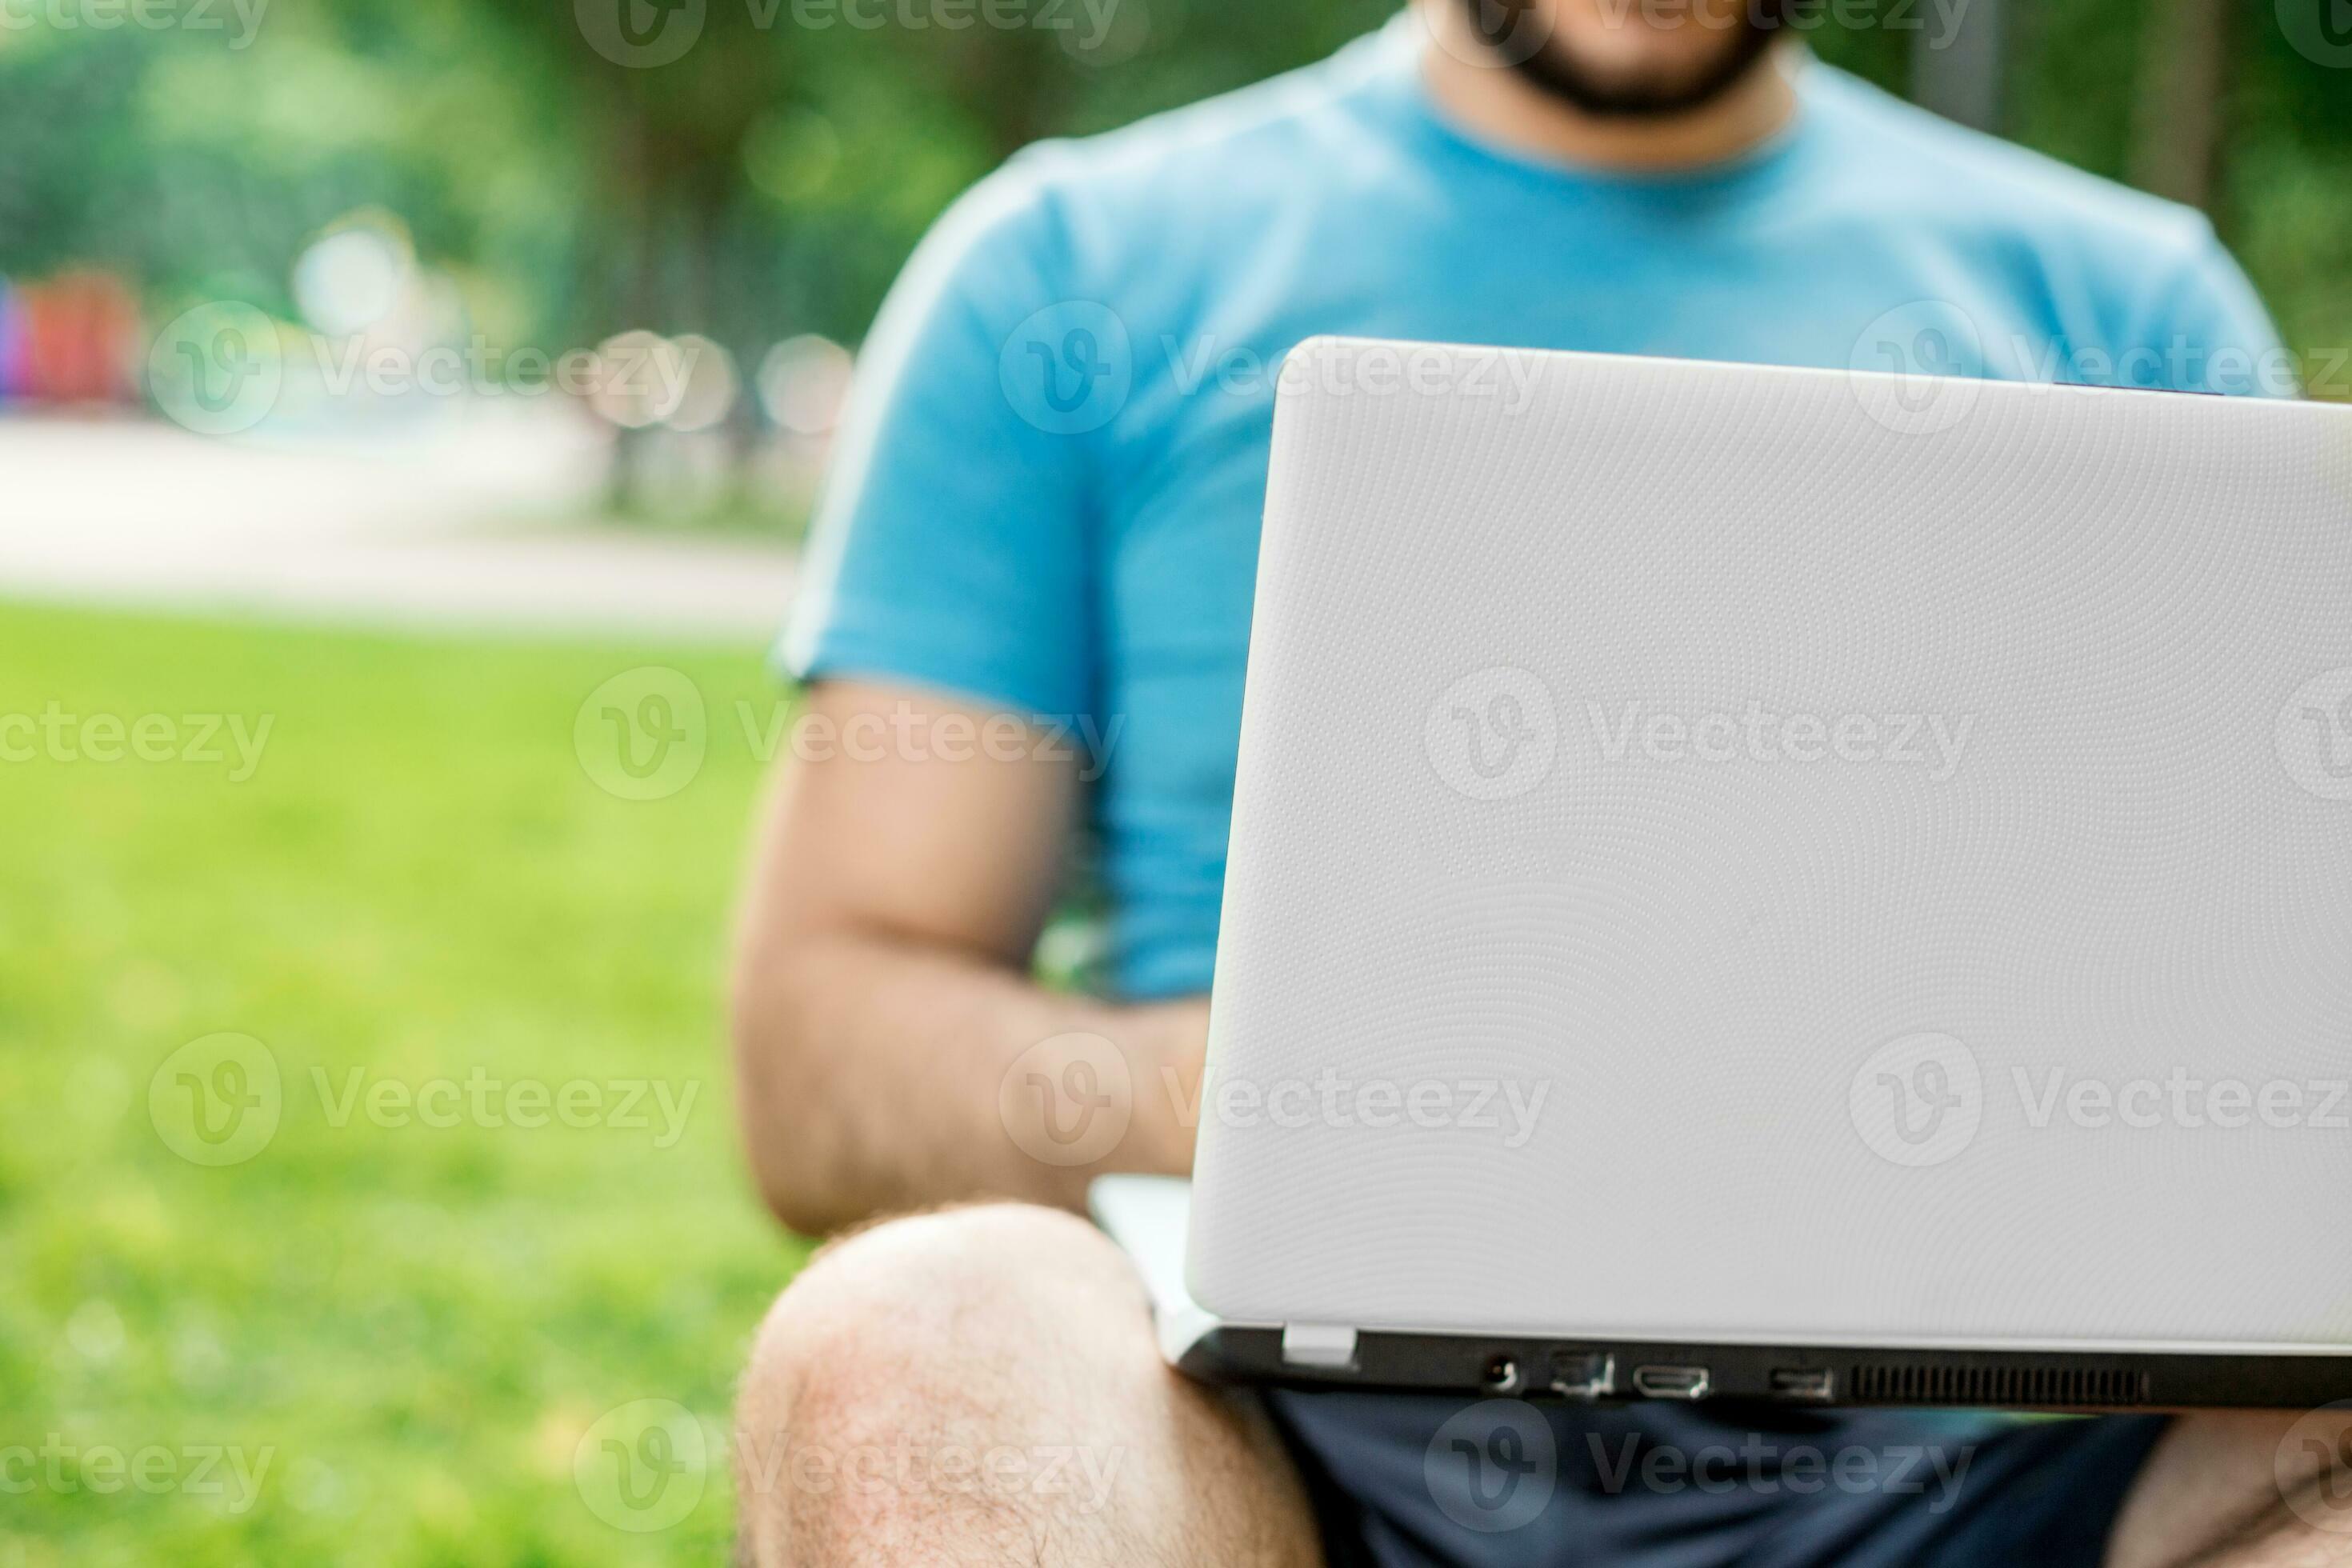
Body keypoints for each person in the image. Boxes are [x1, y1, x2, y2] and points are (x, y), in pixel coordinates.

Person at [727, 1, 2344, 1562]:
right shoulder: (1068, 277)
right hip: (1250, 1456)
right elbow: (820, 1048)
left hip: (1960, 1477)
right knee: (915, 1335)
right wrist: (1331, 1102)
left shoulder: (2133, 307)